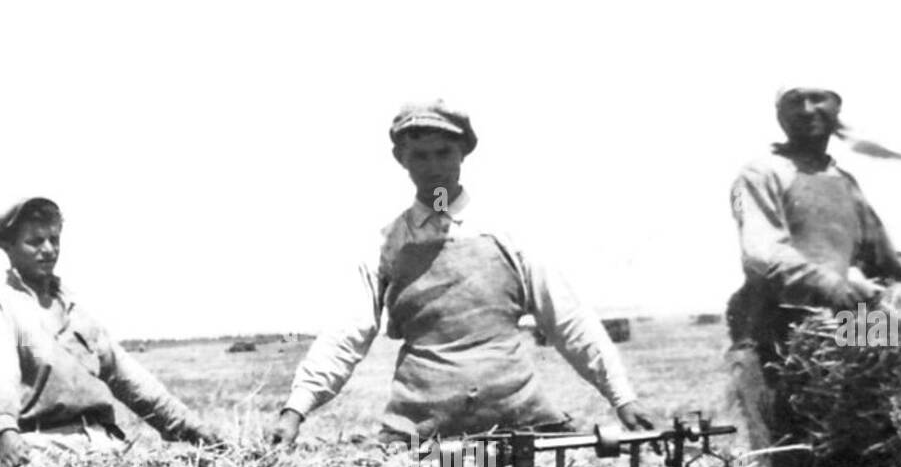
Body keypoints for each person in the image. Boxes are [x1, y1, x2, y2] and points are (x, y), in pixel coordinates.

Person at [271, 100, 654, 447]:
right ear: (400, 159)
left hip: (519, 430)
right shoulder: (386, 244)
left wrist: (622, 398)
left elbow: (568, 320)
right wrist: (295, 410)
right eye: (420, 156)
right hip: (428, 440)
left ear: (465, 153)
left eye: (444, 153)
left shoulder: (510, 235)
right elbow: (346, 334)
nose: (434, 168)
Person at [727, 85, 901, 467]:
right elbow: (762, 257)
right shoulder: (762, 173)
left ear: (838, 109)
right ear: (778, 115)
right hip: (778, 346)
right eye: (794, 103)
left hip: (841, 349)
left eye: (820, 100)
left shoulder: (844, 182)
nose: (808, 112)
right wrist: (831, 286)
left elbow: (885, 260)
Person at [0, 197, 223, 467]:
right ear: (8, 246)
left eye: (54, 239)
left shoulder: (76, 310)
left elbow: (131, 379)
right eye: (35, 241)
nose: (48, 249)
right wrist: (5, 430)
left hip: (106, 447)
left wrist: (192, 429)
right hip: (45, 452)